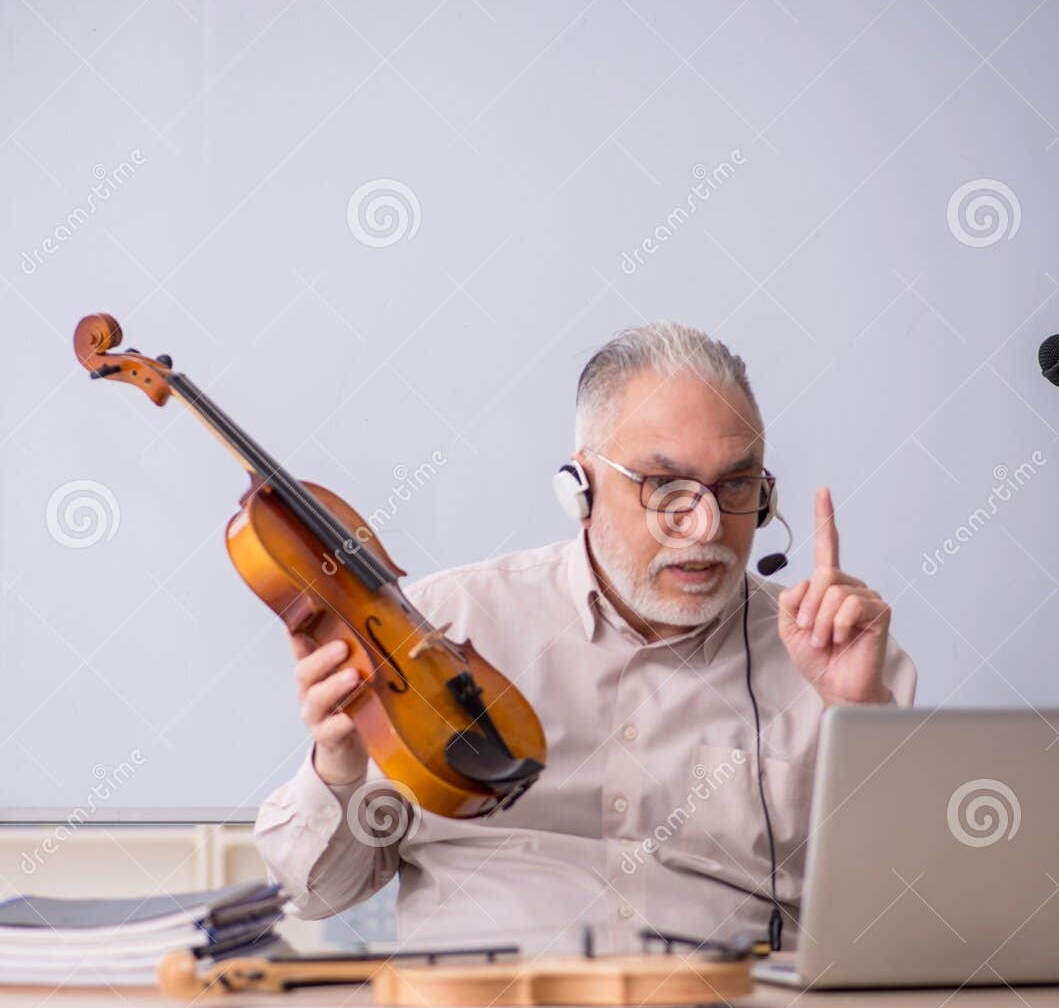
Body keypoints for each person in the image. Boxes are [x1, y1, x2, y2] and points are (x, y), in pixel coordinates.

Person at [254, 322, 916, 953]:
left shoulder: (844, 657)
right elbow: (317, 895)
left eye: (737, 484)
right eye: (665, 486)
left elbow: (902, 920)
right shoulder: (434, 630)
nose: (706, 526)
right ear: (581, 486)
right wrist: (338, 769)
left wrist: (858, 719)